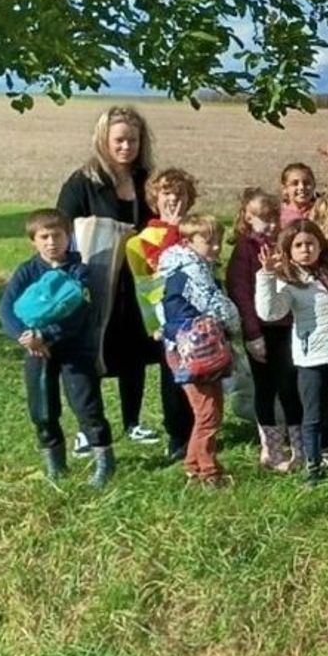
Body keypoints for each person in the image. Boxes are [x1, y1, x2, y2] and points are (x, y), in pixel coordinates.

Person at [56, 105, 161, 450]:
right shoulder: (82, 182)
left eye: (132, 140)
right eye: (119, 140)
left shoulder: (147, 180)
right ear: (103, 140)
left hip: (136, 278)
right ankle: (89, 426)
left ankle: (133, 421)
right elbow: (62, 228)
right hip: (95, 280)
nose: (126, 147)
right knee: (92, 351)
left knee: (135, 350)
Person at [0, 209, 111, 484]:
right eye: (44, 237)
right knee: (43, 411)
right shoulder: (27, 271)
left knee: (87, 406)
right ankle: (55, 468)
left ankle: (105, 466)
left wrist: (44, 335)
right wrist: (25, 336)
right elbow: (6, 310)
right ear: (33, 241)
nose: (51, 242)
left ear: (68, 237)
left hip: (74, 350)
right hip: (36, 352)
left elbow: (77, 314)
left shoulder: (79, 271)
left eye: (57, 235)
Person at [255, 220, 328, 487]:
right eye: (298, 245)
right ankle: (312, 465)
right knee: (313, 413)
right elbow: (270, 312)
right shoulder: (291, 281)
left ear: (320, 245)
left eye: (310, 243)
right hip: (311, 358)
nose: (305, 249)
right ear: (289, 250)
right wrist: (266, 276)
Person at [157, 214, 241, 487]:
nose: (216, 247)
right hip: (193, 352)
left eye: (218, 240)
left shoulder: (196, 269)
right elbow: (203, 308)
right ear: (187, 241)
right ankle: (208, 472)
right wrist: (229, 324)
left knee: (210, 410)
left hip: (199, 349)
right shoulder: (188, 274)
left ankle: (193, 466)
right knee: (208, 413)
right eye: (208, 241)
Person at [226, 188, 302, 472]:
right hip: (260, 330)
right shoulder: (245, 250)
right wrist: (252, 333)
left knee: (290, 386)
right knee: (266, 388)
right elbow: (241, 293)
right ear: (247, 218)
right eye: (262, 219)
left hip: (287, 327)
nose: (269, 225)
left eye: (273, 218)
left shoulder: (283, 244)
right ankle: (271, 449)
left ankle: (298, 446)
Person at [125, 167, 198, 462]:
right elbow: (145, 286)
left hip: (199, 318)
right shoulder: (141, 240)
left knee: (203, 373)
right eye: (167, 193)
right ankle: (177, 435)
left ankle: (202, 429)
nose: (173, 199)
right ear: (155, 198)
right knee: (174, 379)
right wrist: (154, 325)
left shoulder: (197, 230)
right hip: (168, 320)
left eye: (180, 193)